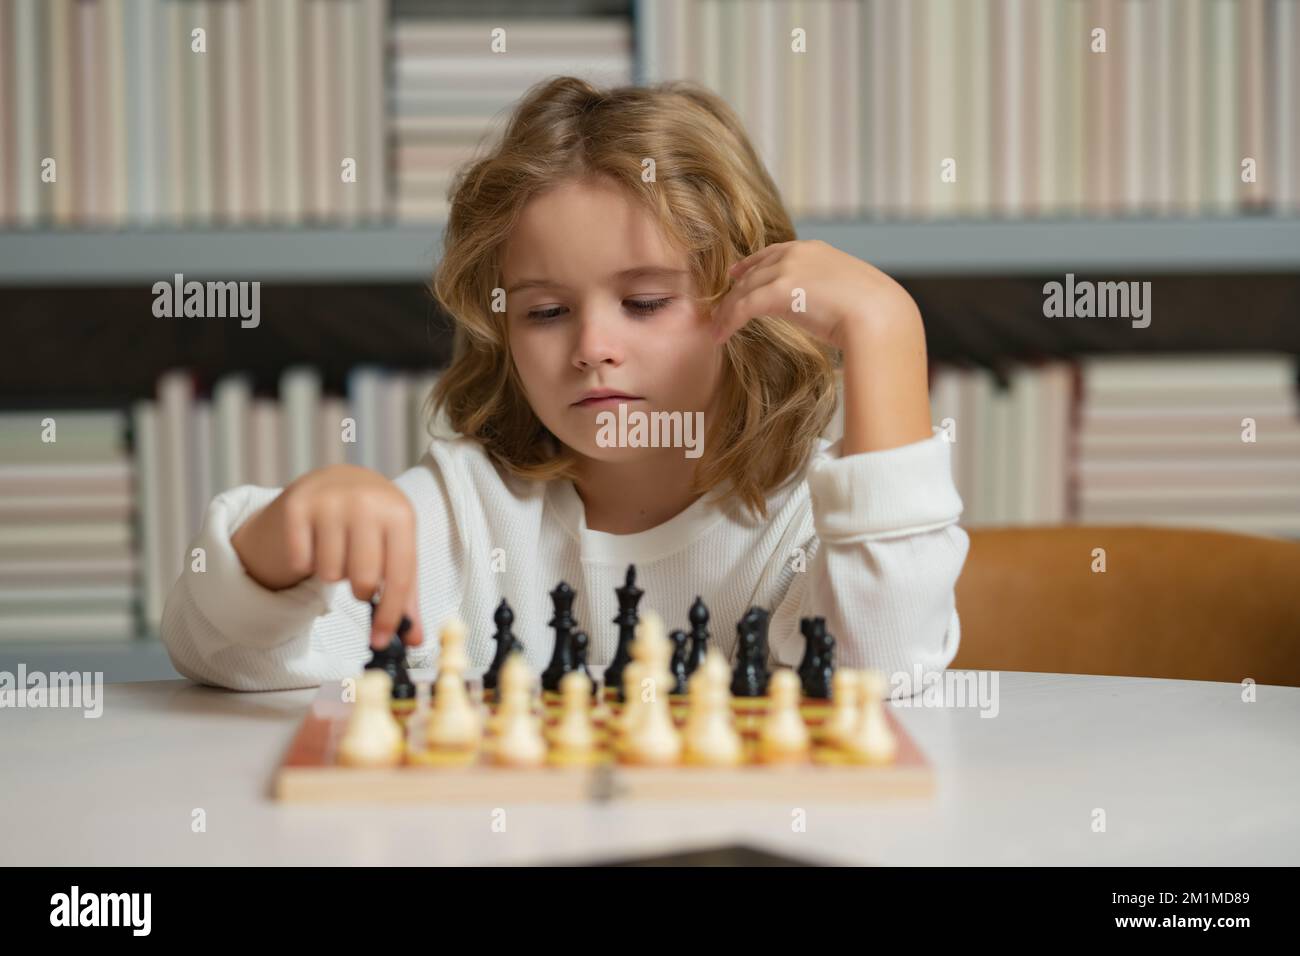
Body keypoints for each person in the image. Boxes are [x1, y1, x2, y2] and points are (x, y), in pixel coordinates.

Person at [160, 77, 969, 693]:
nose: (592, 348)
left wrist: (889, 334)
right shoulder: (468, 511)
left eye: (646, 302)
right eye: (546, 312)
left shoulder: (805, 518)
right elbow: (226, 657)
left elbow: (880, 669)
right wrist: (278, 541)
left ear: (750, 301)